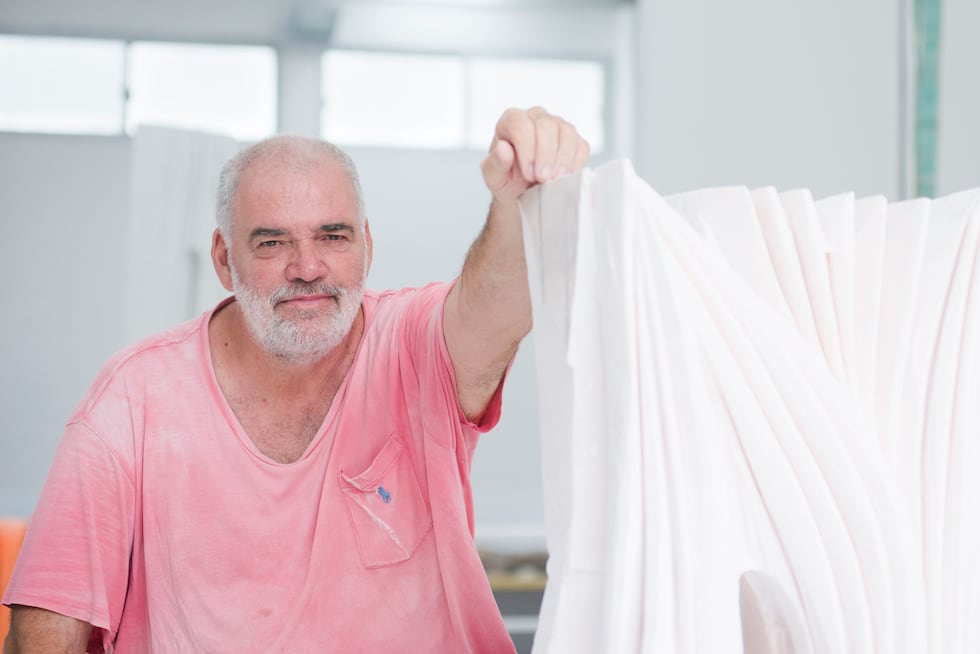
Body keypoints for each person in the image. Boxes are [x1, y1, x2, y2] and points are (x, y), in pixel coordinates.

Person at [1, 107, 589, 653]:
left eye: (332, 236)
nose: (307, 268)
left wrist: (519, 206)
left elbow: (500, 305)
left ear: (367, 246)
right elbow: (48, 620)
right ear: (225, 259)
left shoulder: (416, 347)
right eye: (272, 241)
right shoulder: (134, 398)